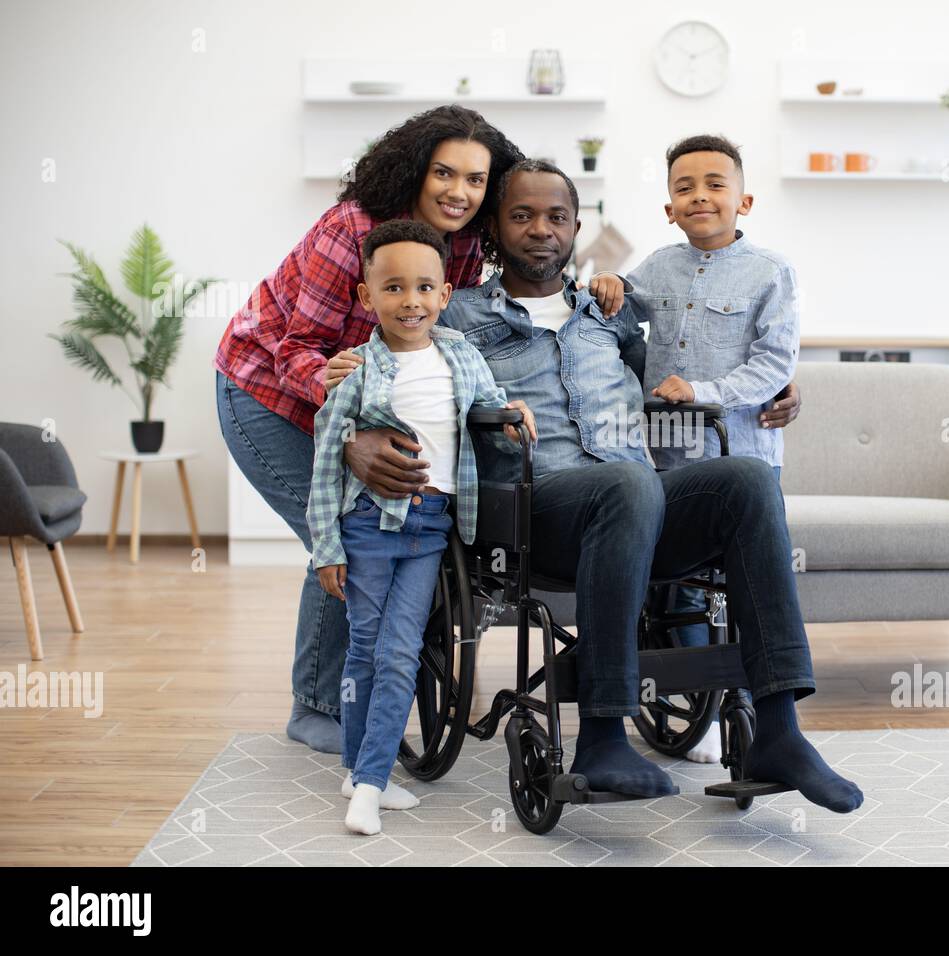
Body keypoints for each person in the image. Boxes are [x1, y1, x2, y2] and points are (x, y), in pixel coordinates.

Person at [340, 159, 863, 813]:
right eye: (522, 216)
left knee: (748, 480)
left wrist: (778, 386)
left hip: (635, 499)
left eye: (557, 216)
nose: (541, 230)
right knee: (627, 485)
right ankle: (603, 735)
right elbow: (394, 373)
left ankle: (779, 733)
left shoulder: (609, 312)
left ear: (577, 227)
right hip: (534, 516)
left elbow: (680, 368)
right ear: (496, 232)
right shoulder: (457, 312)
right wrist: (348, 414)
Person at [214, 105, 524, 753]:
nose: (458, 193)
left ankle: (385, 685)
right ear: (415, 168)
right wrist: (352, 433)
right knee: (350, 543)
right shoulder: (351, 230)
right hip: (267, 392)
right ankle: (317, 708)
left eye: (475, 180)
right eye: (444, 173)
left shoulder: (463, 243)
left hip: (364, 403)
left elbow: (433, 341)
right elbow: (298, 348)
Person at [306, 220, 535, 834]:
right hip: (369, 525)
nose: (410, 301)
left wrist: (513, 409)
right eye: (394, 288)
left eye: (424, 288)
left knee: (400, 650)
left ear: (442, 295)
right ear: (366, 296)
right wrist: (326, 548)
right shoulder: (357, 369)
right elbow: (329, 461)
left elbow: (487, 404)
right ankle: (362, 776)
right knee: (365, 651)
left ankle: (369, 777)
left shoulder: (460, 352)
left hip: (433, 525)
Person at [587, 133, 799, 764]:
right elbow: (618, 313)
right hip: (665, 460)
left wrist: (702, 389)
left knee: (734, 593)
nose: (700, 196)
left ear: (745, 199)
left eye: (715, 184)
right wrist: (606, 285)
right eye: (684, 188)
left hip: (742, 457)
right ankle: (687, 714)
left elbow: (774, 362)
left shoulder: (772, 273)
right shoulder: (656, 266)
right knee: (673, 595)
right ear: (668, 208)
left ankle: (749, 710)